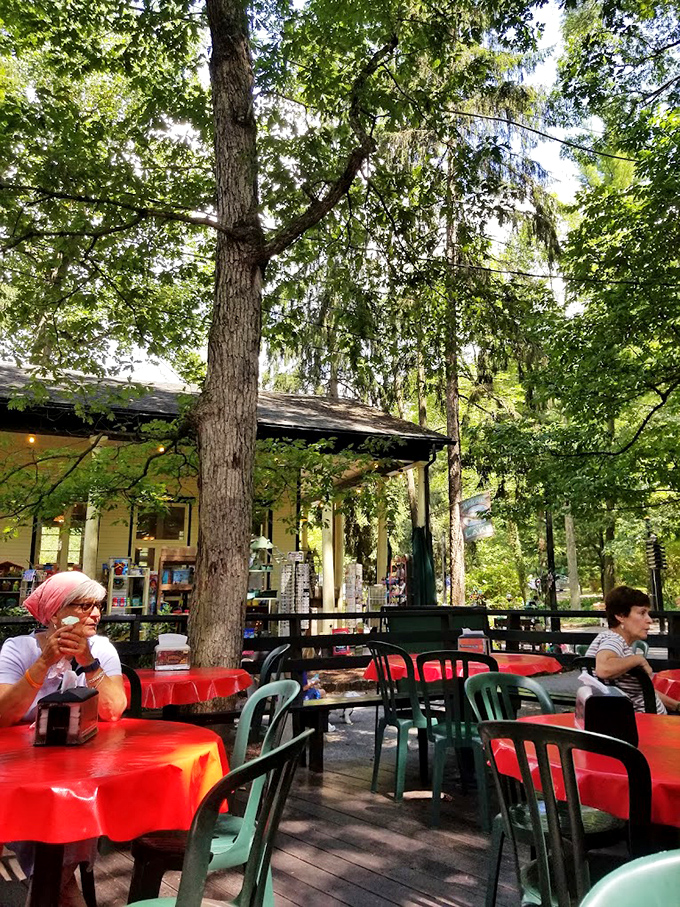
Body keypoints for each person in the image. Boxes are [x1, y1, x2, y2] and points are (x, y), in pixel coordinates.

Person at [0, 570, 127, 907]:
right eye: (84, 606)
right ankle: (60, 885)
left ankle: (54, 883)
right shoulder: (19, 649)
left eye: (97, 605)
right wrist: (44, 663)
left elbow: (113, 710)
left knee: (74, 801)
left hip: (75, 772)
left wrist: (86, 660)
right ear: (56, 612)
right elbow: (3, 715)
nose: (96, 613)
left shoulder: (100, 649)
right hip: (17, 771)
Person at [586, 585, 680, 715]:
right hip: (644, 726)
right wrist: (638, 659)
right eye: (642, 613)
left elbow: (644, 692)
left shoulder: (610, 639)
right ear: (620, 616)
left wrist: (676, 706)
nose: (649, 620)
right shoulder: (614, 640)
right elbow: (603, 668)